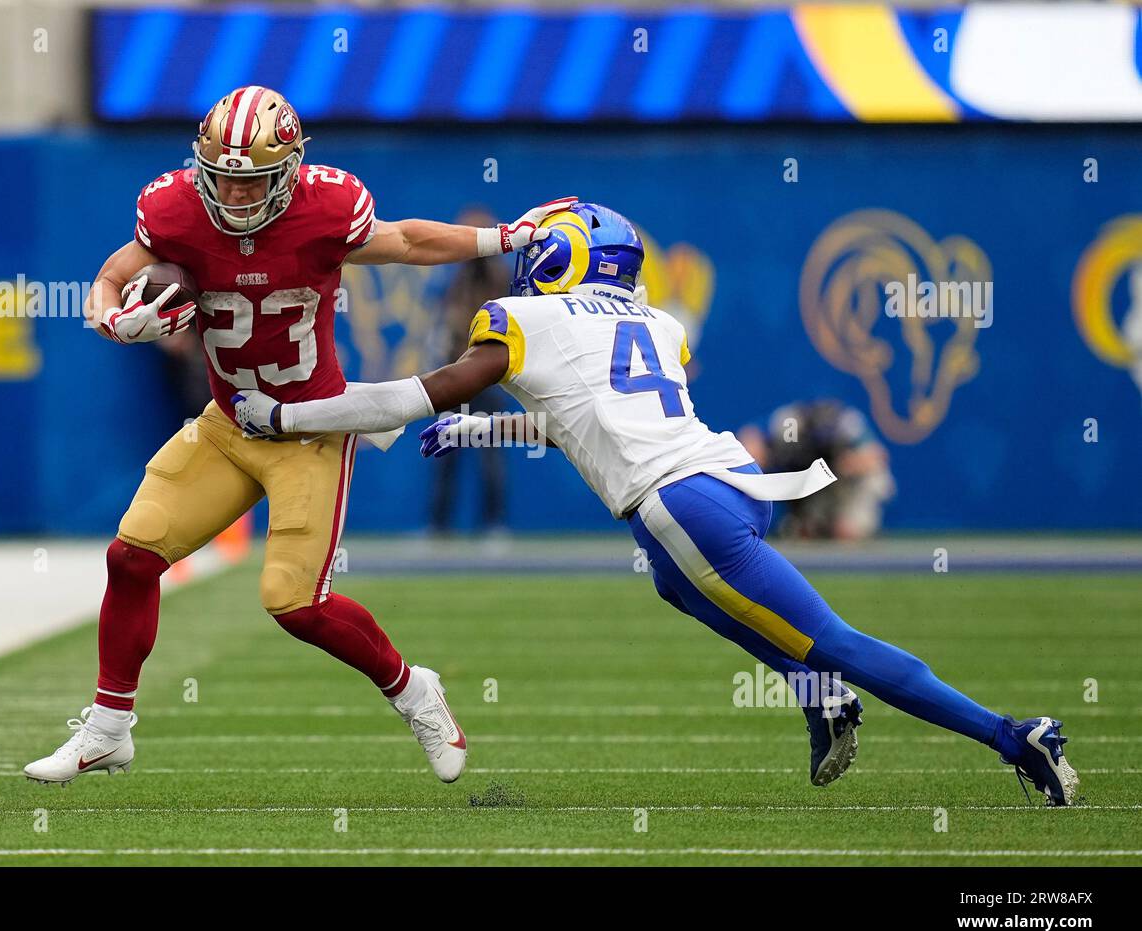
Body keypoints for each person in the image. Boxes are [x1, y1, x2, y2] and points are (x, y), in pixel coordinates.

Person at [245, 201, 1078, 806]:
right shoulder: (659, 324)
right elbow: (582, 421)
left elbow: (417, 396)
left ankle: (1010, 735)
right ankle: (816, 690)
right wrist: (476, 438)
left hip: (683, 505)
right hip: (724, 485)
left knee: (836, 642)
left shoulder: (520, 317)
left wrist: (290, 416)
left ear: (562, 255)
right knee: (674, 584)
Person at [23, 85, 573, 786]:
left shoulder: (326, 207)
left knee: (293, 602)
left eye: (250, 181)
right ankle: (107, 729)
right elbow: (111, 276)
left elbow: (404, 239)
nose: (235, 195)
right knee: (132, 557)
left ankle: (413, 690)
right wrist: (111, 319)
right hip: (228, 424)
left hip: (312, 427)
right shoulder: (174, 207)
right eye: (221, 178)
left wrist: (504, 236)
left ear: (287, 169)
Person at [427, 207, 510, 535]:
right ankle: (439, 526)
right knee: (445, 451)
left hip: (485, 376)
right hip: (456, 372)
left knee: (490, 454)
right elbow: (448, 318)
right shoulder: (457, 276)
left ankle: (493, 524)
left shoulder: (495, 274)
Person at [738, 399, 895, 540]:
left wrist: (849, 463)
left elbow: (876, 456)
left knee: (846, 531)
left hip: (846, 483)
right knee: (800, 533)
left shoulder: (847, 424)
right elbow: (753, 439)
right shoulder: (789, 424)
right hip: (812, 485)